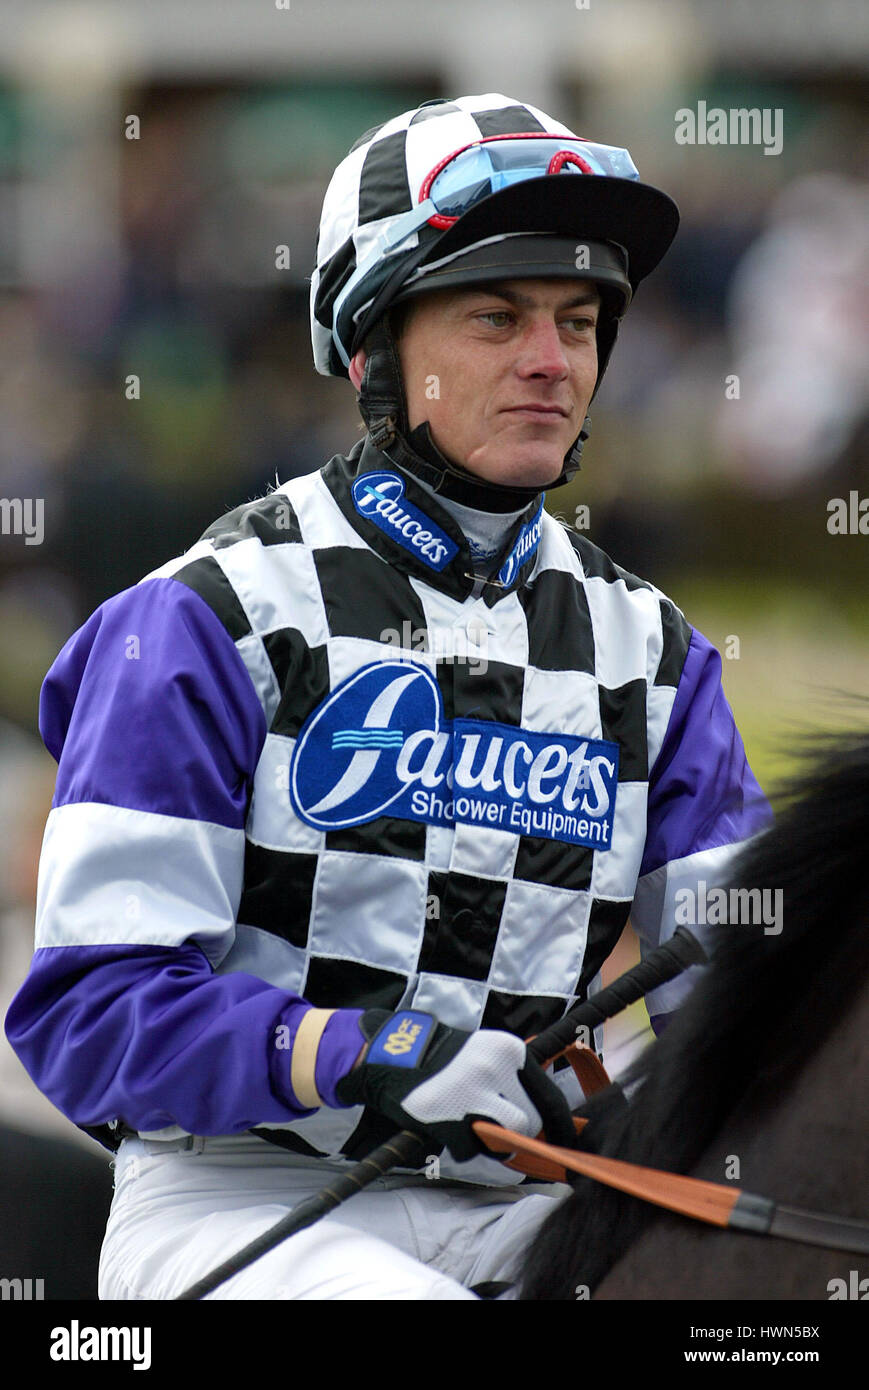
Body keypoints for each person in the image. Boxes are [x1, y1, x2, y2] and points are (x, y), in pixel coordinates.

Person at [5, 93, 770, 1300]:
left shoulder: (658, 655)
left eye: (578, 321)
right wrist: (376, 1053)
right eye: (494, 315)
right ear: (373, 350)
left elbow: (744, 987)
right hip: (239, 1199)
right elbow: (89, 1013)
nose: (549, 360)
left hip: (522, 1205)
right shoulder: (202, 618)